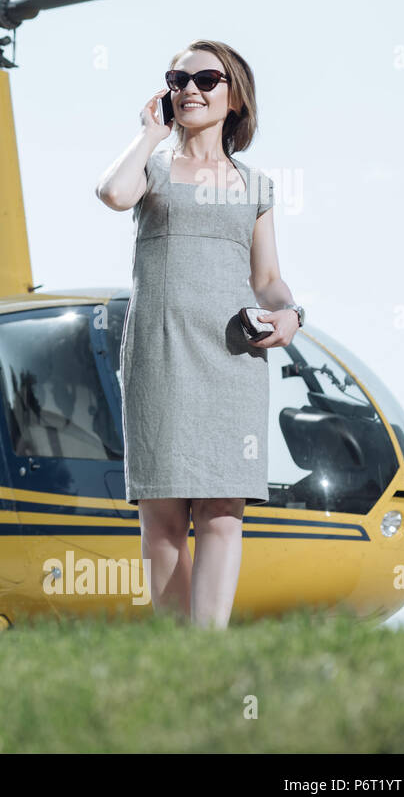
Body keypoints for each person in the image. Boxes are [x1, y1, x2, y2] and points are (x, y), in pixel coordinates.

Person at [94, 39, 303, 629]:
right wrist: (148, 134)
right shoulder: (152, 168)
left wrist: (291, 315)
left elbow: (267, 279)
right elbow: (112, 194)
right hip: (160, 352)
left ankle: (206, 651)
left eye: (206, 79)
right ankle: (176, 653)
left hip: (231, 357)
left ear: (233, 95)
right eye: (177, 80)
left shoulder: (257, 185)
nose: (189, 89)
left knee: (222, 511)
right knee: (162, 512)